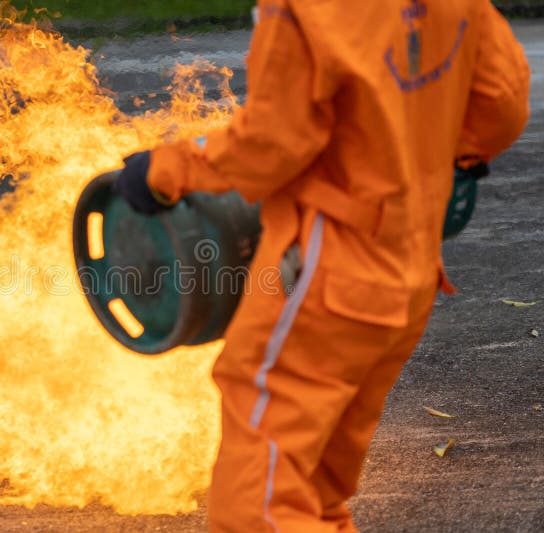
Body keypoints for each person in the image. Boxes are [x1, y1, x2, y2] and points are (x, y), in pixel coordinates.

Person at [114, 0, 530, 531]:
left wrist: (168, 167)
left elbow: (275, 140)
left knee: (258, 509)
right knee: (314, 495)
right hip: (410, 274)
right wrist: (425, 160)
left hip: (327, 279)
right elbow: (503, 102)